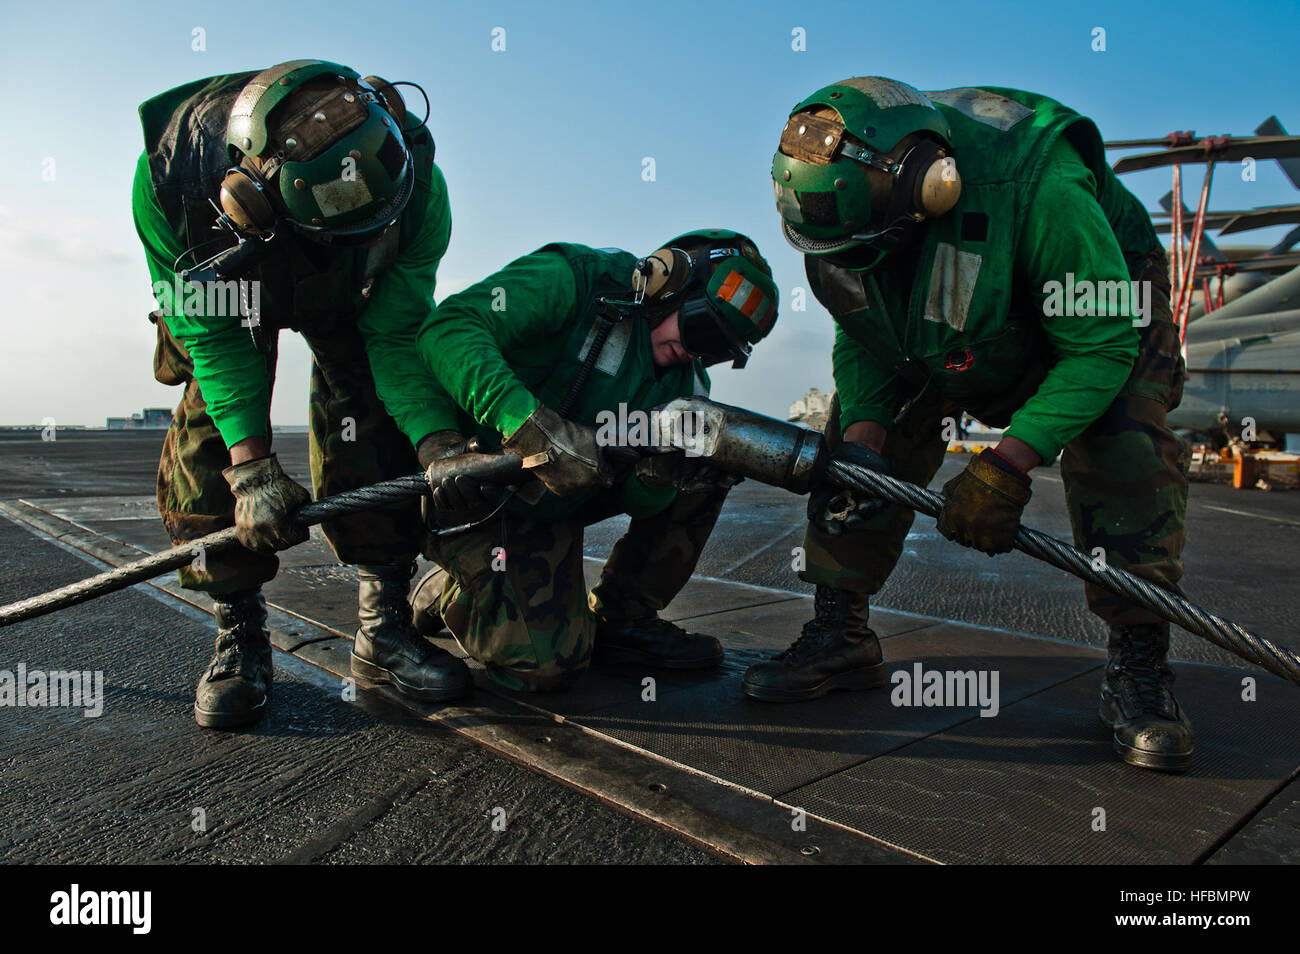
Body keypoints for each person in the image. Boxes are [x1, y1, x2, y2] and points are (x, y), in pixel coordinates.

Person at [752, 77, 1192, 772]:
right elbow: (865, 333)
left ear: (931, 189)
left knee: (1126, 441)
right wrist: (866, 437)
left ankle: (1139, 666)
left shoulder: (1045, 191)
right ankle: (841, 632)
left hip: (1098, 291)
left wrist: (1006, 464)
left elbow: (1101, 346)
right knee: (855, 459)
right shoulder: (844, 226)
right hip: (942, 306)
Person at [133, 59, 471, 729]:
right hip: (231, 283)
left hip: (346, 284)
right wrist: (253, 469)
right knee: (210, 435)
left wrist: (437, 441)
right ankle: (239, 628)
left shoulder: (416, 187)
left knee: (374, 414)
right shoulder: (168, 188)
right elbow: (219, 340)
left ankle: (383, 628)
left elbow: (396, 334)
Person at [409, 230, 779, 691]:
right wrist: (526, 423)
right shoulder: (576, 279)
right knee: (543, 669)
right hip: (480, 493)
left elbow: (644, 507)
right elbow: (448, 329)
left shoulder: (690, 388)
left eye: (720, 350)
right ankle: (456, 584)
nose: (698, 352)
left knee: (708, 464)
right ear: (670, 281)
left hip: (563, 498)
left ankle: (624, 618)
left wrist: (658, 478)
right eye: (702, 328)